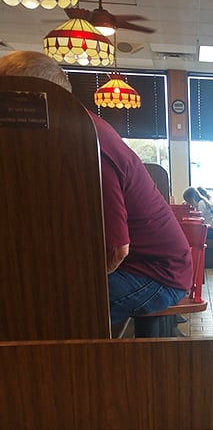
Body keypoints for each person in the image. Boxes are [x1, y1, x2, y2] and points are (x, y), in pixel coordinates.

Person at [0, 51, 192, 326]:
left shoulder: (84, 141)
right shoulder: (64, 134)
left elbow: (116, 251)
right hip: (146, 265)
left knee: (44, 311)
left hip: (156, 275)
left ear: (40, 99)